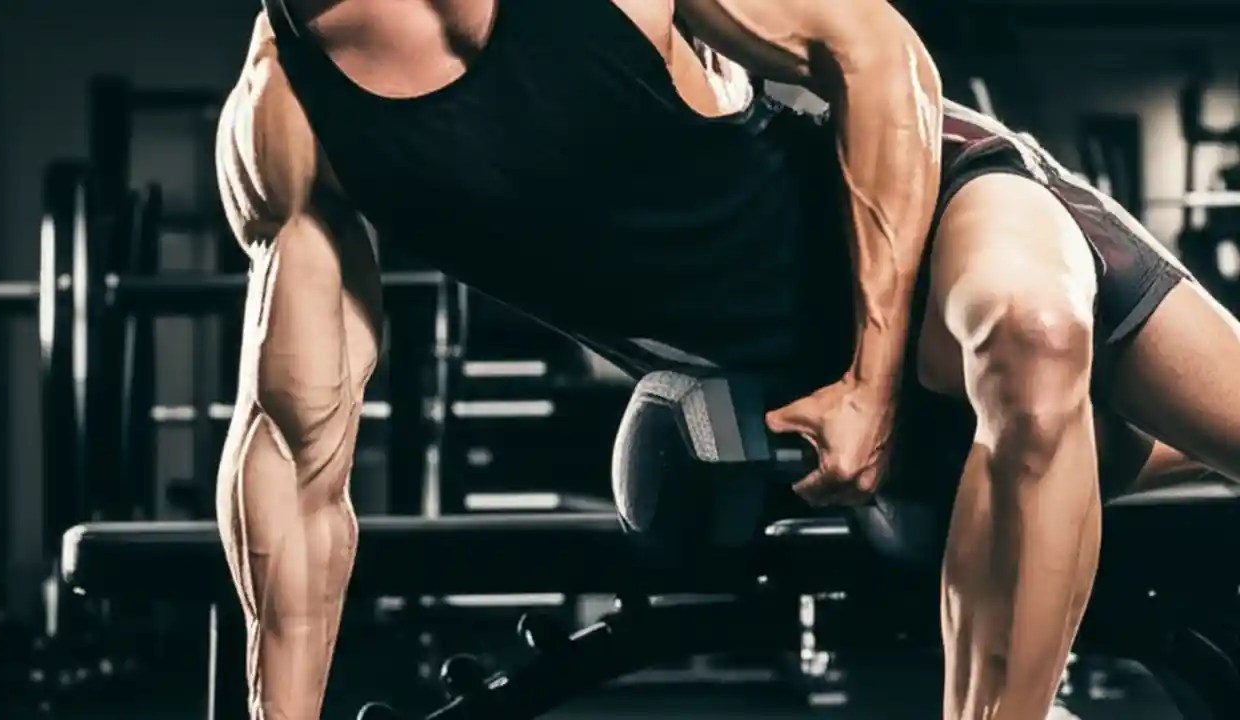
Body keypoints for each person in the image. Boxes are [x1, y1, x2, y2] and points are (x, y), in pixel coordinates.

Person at [213, 1, 1240, 719]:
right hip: (866, 398)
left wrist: (868, 392)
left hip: (949, 216)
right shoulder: (288, 120)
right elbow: (294, 456)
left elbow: (879, 56)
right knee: (1039, 437)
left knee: (1031, 338)